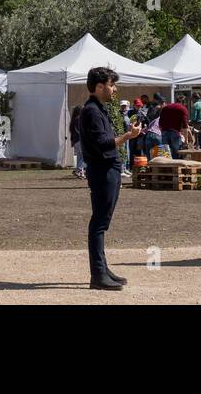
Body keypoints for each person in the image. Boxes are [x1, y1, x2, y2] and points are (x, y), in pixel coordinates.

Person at [80, 67, 141, 291]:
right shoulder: (92, 112)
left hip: (109, 168)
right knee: (98, 224)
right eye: (111, 85)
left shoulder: (100, 109)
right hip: (102, 169)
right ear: (99, 87)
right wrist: (128, 136)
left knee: (102, 223)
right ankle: (97, 274)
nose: (114, 89)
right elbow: (103, 143)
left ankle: (103, 269)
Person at [69, 106, 85, 179]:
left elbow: (72, 132)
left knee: (79, 157)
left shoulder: (74, 119)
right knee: (85, 156)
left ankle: (81, 173)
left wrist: (72, 141)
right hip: (80, 140)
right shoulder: (79, 119)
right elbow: (80, 131)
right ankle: (78, 170)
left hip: (76, 141)